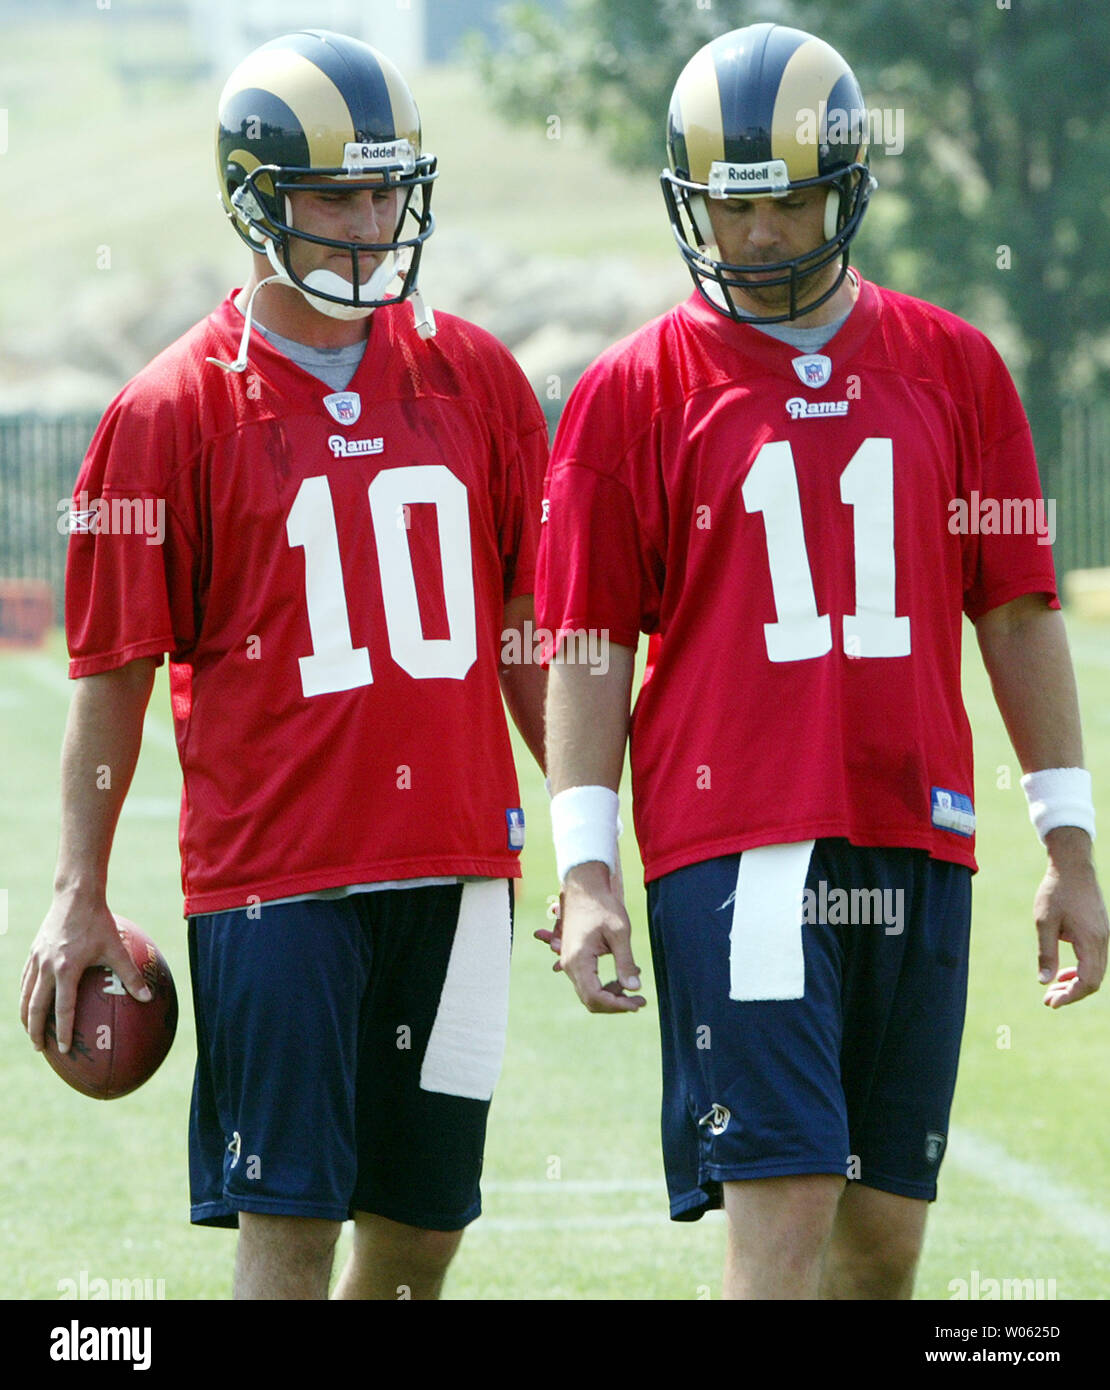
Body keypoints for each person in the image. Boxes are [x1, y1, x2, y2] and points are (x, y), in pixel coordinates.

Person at [535, 22, 1107, 1300]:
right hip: (742, 846)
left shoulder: (954, 366)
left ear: (844, 188)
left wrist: (1069, 846)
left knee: (885, 1241)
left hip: (920, 831)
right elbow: (586, 641)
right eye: (735, 210)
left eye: (790, 202)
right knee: (783, 1218)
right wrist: (584, 869)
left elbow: (1016, 611)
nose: (762, 237)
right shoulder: (635, 390)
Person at [20, 29, 547, 1301]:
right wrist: (76, 890)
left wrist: (598, 831)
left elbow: (531, 626)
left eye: (383, 191)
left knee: (422, 1234)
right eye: (334, 196)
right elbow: (113, 677)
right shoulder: (167, 409)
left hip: (463, 868)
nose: (369, 223)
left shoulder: (474, 375)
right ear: (259, 202)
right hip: (277, 883)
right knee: (291, 1223)